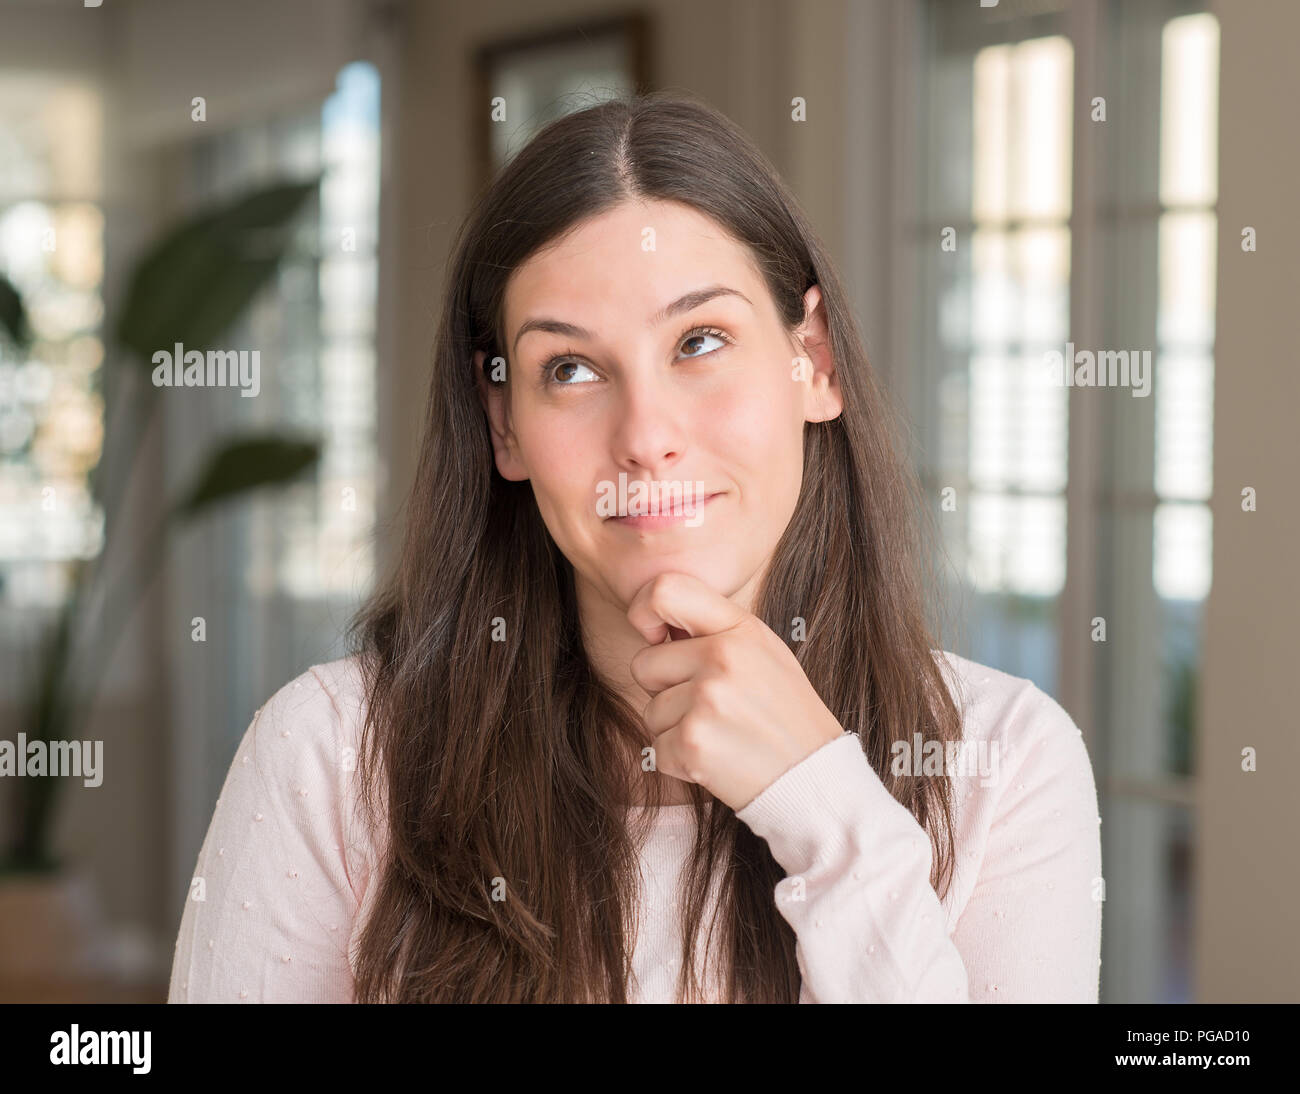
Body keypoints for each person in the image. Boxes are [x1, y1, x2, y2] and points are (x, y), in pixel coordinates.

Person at [168, 91, 1102, 1004]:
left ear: (811, 360)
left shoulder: (1003, 763)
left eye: (699, 341)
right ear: (504, 426)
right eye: (569, 369)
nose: (645, 435)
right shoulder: (332, 757)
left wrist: (824, 806)